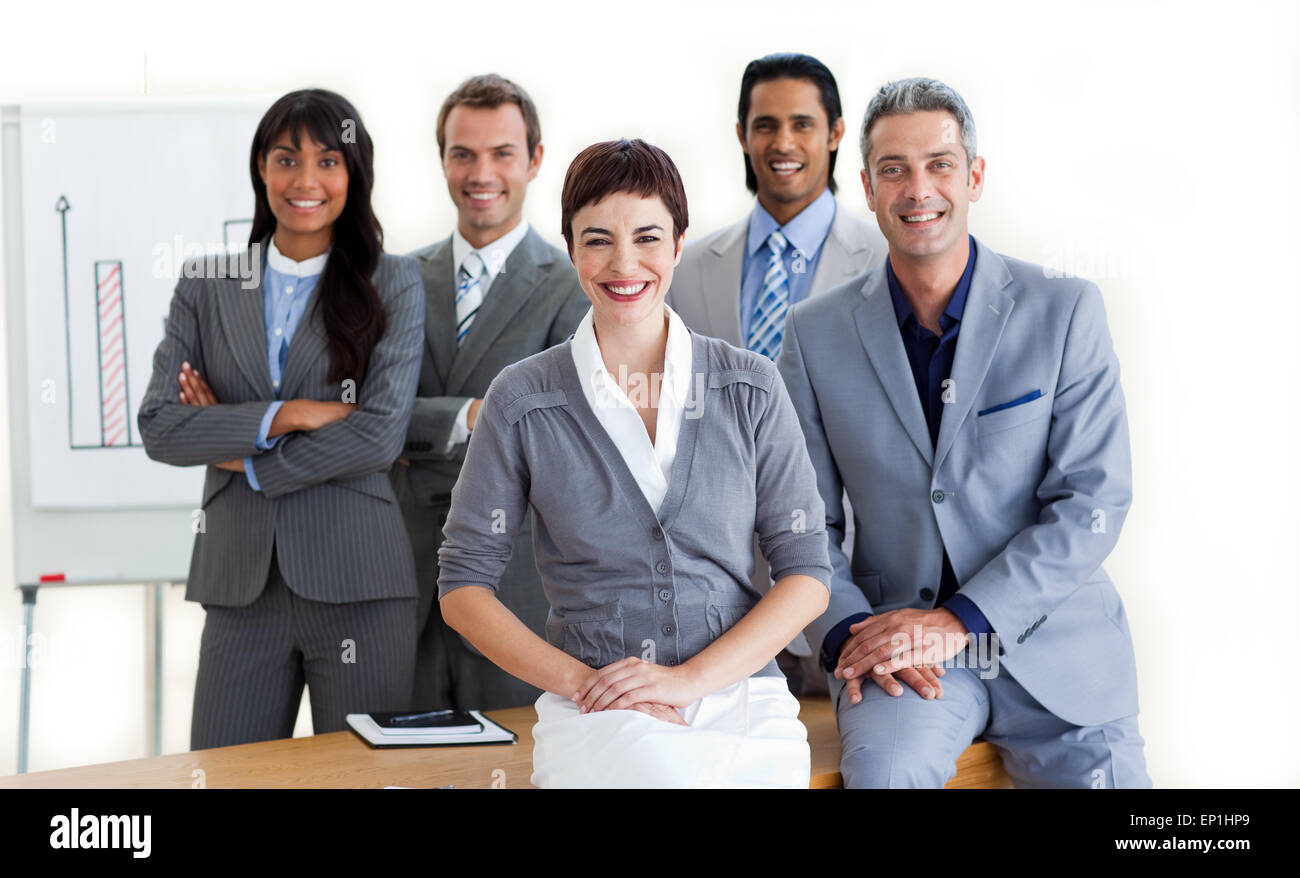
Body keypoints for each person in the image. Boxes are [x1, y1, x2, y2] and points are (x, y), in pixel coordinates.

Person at [777, 77, 1151, 787]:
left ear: (974, 176)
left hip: (1057, 651)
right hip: (898, 657)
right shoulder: (813, 334)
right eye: (894, 169)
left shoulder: (1066, 310)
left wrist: (960, 620)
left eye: (939, 164)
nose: (918, 188)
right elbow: (798, 524)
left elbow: (1092, 501)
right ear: (866, 186)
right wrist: (847, 637)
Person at [436, 139, 832, 788]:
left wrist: (685, 682)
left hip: (738, 696)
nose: (624, 263)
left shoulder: (751, 386)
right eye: (597, 240)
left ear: (679, 244)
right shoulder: (523, 398)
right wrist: (589, 683)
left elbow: (807, 572)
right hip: (595, 699)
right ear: (570, 249)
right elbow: (463, 586)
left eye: (648, 237)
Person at [138, 88, 425, 749]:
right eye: (285, 158)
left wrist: (243, 452)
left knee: (364, 777)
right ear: (260, 170)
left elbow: (378, 434)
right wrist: (289, 414)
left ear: (354, 175)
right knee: (224, 773)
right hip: (239, 586)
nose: (305, 180)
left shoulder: (393, 283)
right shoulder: (205, 285)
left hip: (360, 584)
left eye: (328, 161)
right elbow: (159, 424)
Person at [667, 52, 886, 696]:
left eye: (802, 124)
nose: (782, 143)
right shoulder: (689, 264)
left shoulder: (885, 263)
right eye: (765, 125)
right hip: (717, 591)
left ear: (837, 133)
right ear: (742, 135)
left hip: (847, 586)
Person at [391, 74, 588, 713]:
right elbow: (365, 415)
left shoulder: (573, 283)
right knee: (396, 770)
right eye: (463, 153)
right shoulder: (393, 280)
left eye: (502, 153)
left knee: (514, 766)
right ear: (443, 159)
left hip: (518, 587)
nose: (482, 172)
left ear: (533, 159)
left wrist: (413, 428)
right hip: (401, 574)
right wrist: (476, 415)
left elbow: (558, 430)